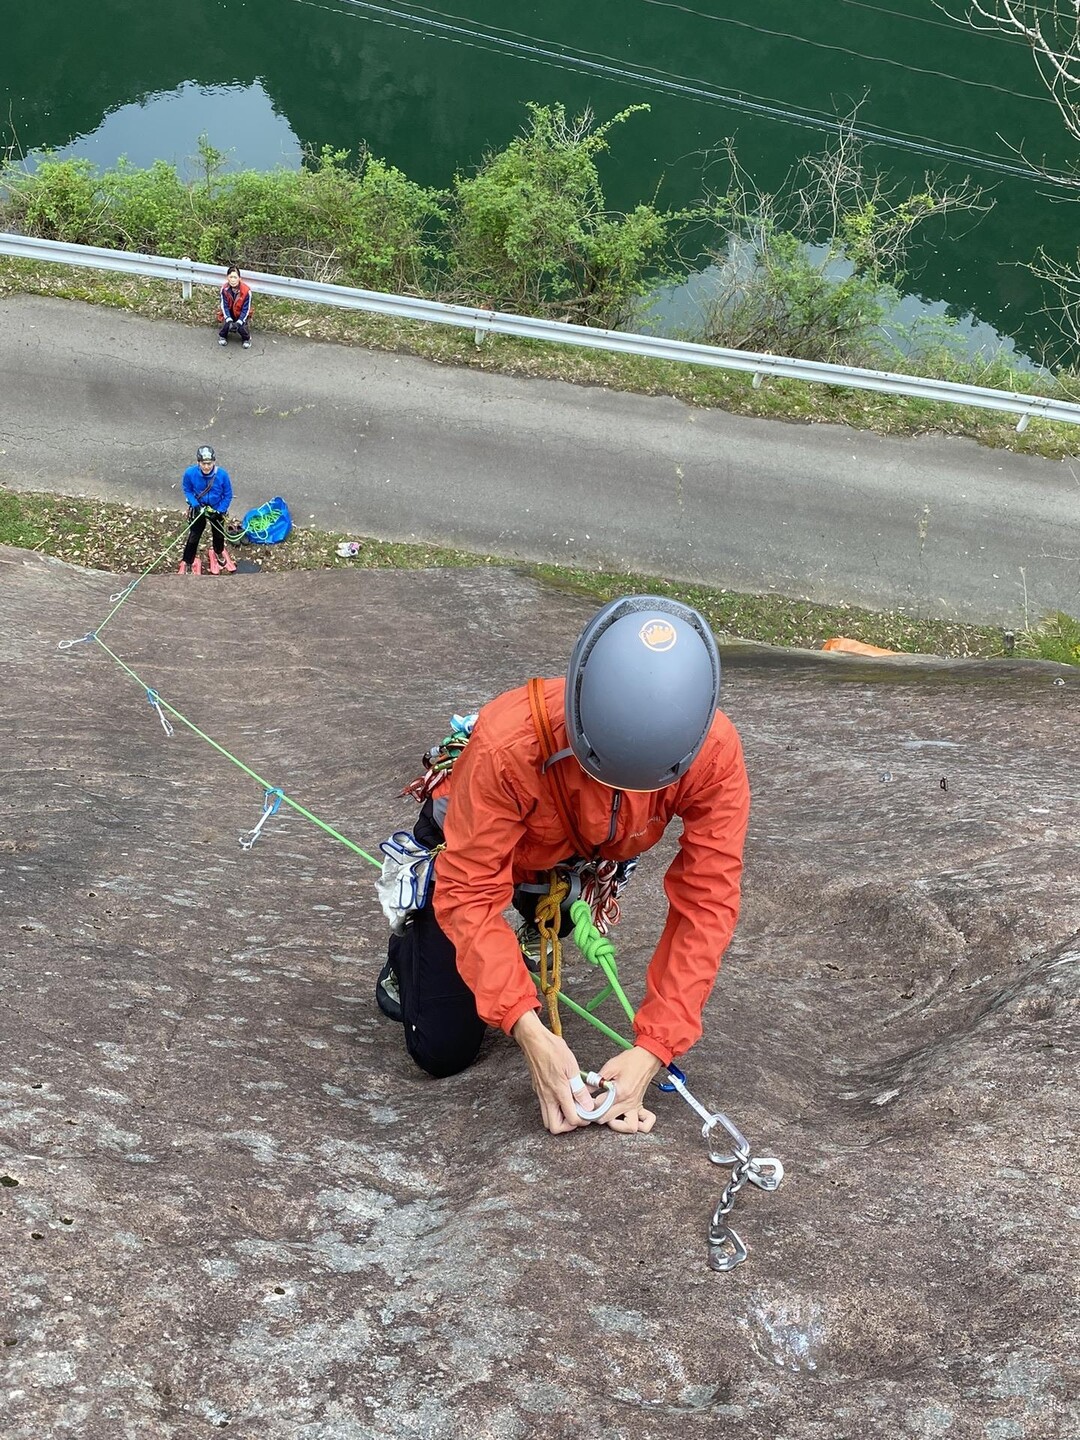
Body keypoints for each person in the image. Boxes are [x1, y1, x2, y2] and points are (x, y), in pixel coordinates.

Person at [376, 595, 750, 1136]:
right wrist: (525, 1027)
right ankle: (410, 945)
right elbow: (470, 892)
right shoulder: (511, 743)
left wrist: (656, 1047)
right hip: (475, 843)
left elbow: (707, 902)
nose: (619, 787)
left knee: (551, 917)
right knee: (442, 1048)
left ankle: (531, 916)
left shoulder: (710, 753)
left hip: (579, 851)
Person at [177, 445, 237, 575]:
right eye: (203, 463)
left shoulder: (222, 475)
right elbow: (187, 489)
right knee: (194, 535)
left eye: (209, 463)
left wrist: (220, 510)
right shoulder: (190, 473)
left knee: (218, 533)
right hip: (199, 508)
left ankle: (218, 551)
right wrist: (195, 504)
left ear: (214, 462)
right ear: (198, 463)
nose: (206, 467)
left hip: (216, 508)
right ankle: (188, 560)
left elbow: (228, 494)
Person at [218, 266, 253, 348]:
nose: (233, 280)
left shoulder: (246, 291)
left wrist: (240, 321)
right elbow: (224, 305)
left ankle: (246, 339)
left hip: (241, 313)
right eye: (231, 277)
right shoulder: (224, 289)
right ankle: (223, 336)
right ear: (227, 278)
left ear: (239, 278)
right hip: (230, 311)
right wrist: (228, 318)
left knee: (241, 327)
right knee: (226, 323)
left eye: (235, 277)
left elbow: (246, 308)